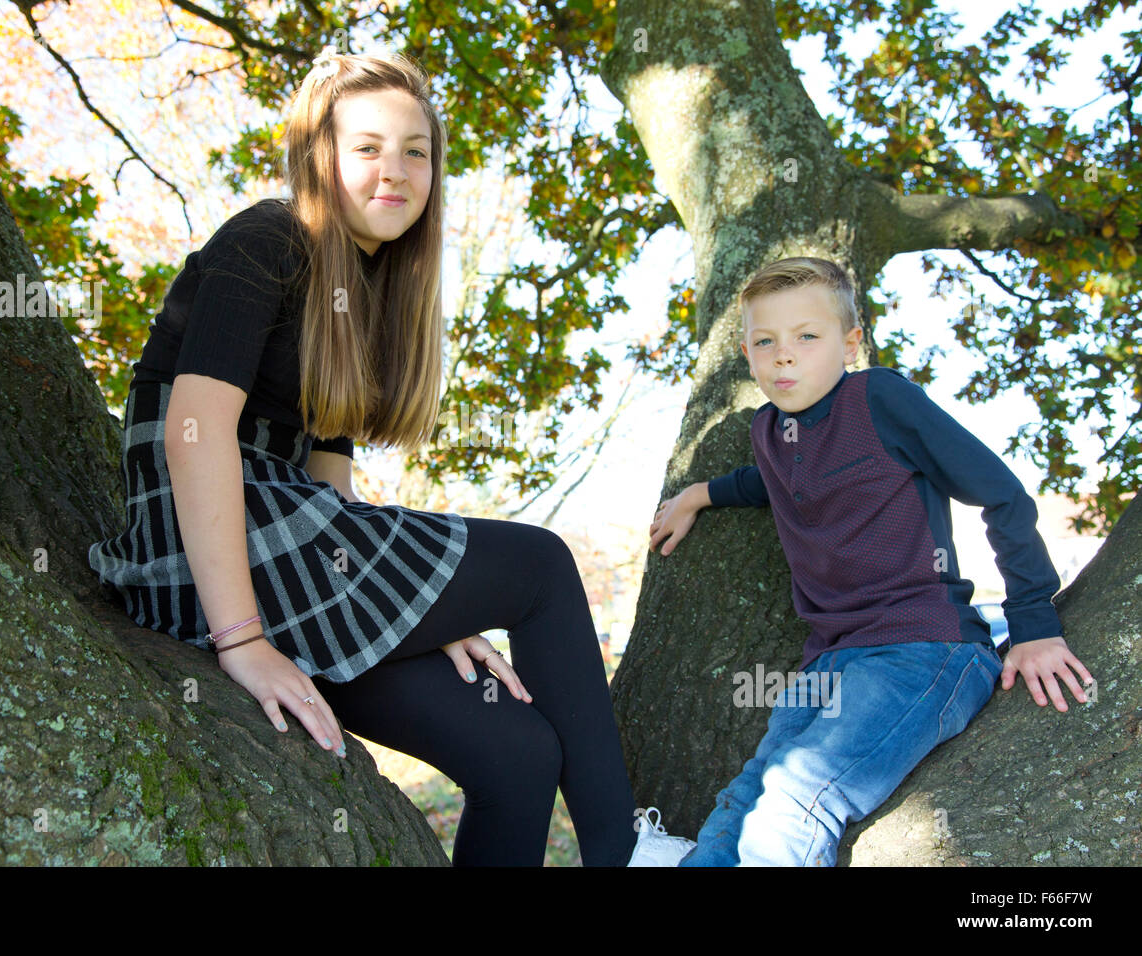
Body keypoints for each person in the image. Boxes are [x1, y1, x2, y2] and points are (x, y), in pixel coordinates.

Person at [88, 48, 694, 866]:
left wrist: (411, 612)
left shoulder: (367, 299)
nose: (397, 169)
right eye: (367, 147)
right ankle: (626, 854)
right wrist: (240, 641)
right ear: (319, 156)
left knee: (516, 752)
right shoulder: (266, 240)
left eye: (417, 151)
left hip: (296, 563)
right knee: (542, 564)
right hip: (205, 549)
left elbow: (330, 491)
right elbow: (190, 435)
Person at [648, 256, 1094, 867]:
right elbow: (770, 482)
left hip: (923, 649)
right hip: (829, 663)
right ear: (747, 354)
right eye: (765, 341)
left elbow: (1003, 494)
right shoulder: (768, 430)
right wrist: (701, 494)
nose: (785, 355)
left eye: (808, 337)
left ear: (851, 343)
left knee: (794, 802)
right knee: (738, 806)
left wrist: (1035, 625)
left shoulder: (879, 398)